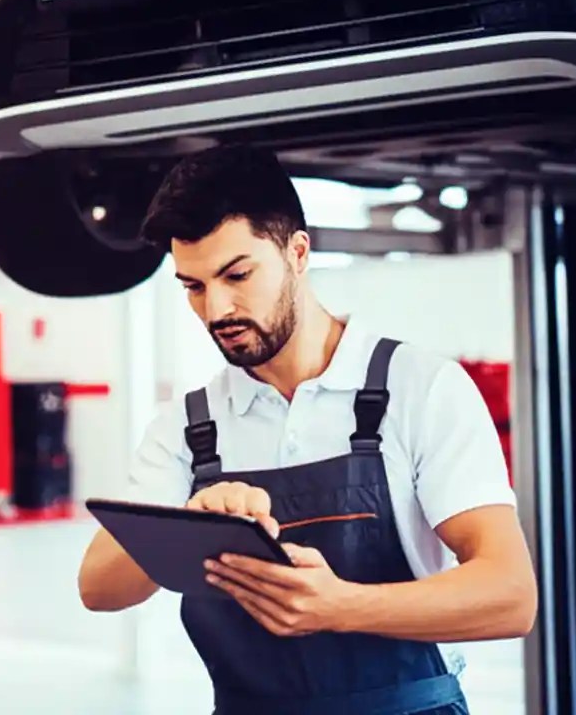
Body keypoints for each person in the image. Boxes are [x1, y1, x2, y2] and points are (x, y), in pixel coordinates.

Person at [77, 144, 537, 714]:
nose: (216, 309)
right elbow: (97, 587)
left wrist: (339, 605)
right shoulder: (188, 427)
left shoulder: (421, 389)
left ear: (297, 253)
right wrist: (188, 523)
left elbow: (510, 596)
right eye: (193, 287)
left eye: (237, 274)